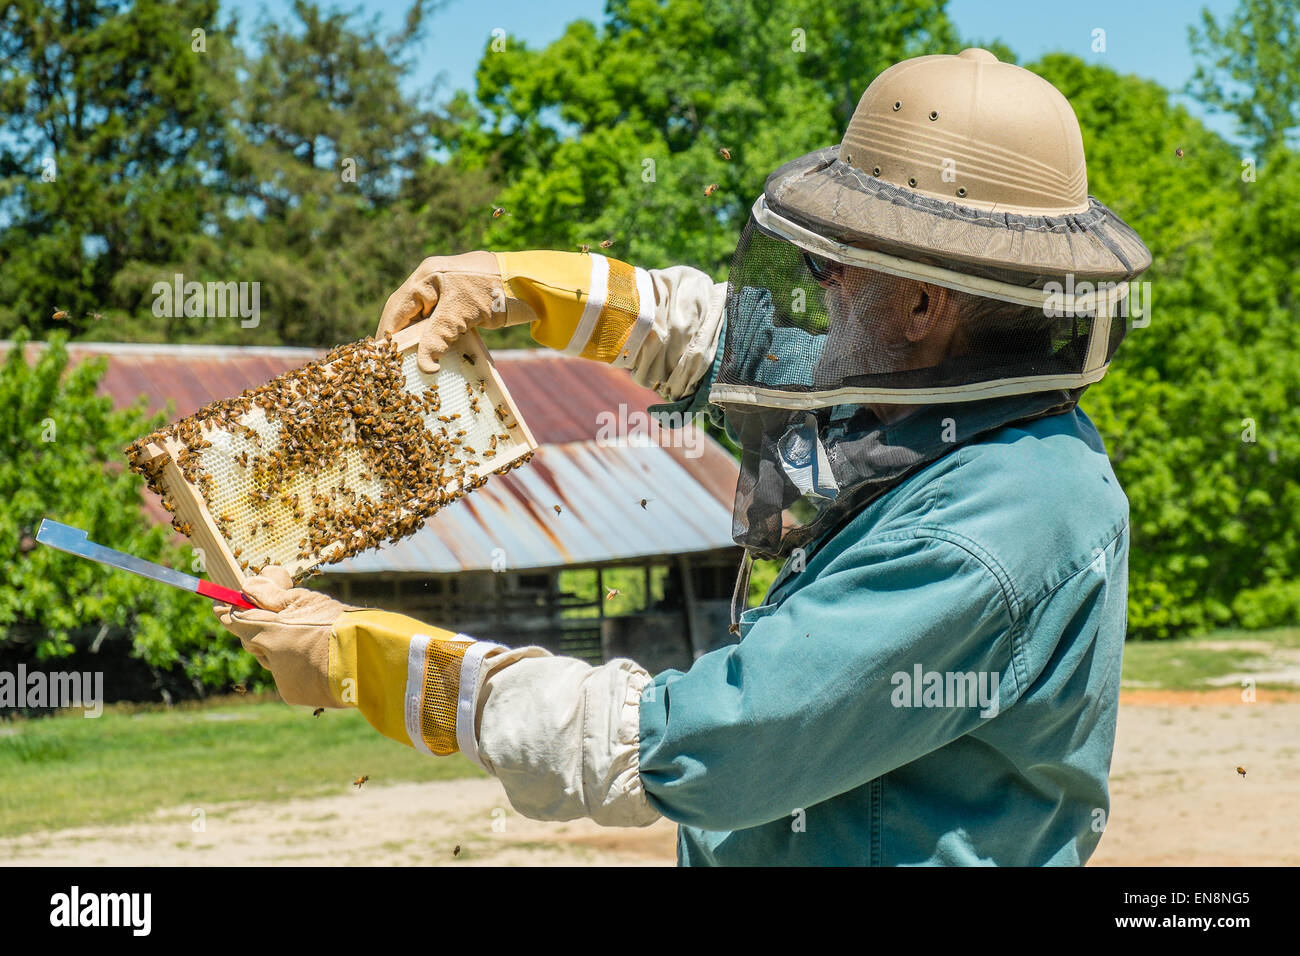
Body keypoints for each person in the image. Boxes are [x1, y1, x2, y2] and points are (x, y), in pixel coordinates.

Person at [217, 48, 1151, 865]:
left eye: (840, 262)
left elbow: (715, 746)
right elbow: (743, 349)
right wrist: (524, 285)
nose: (816, 284)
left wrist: (383, 668)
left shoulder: (992, 524)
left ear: (920, 304)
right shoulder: (940, 395)